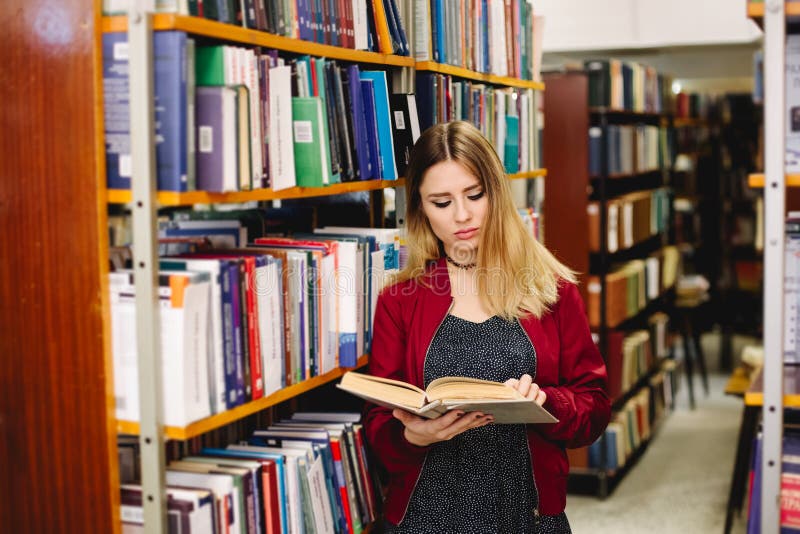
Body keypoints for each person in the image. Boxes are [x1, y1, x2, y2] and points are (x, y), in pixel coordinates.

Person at [363, 121, 611, 533]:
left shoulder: (552, 290)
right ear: (420, 210)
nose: (462, 216)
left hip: (526, 517)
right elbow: (378, 425)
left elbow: (595, 409)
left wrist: (545, 402)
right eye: (441, 203)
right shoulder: (399, 300)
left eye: (474, 195)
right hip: (424, 518)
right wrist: (416, 437)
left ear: (496, 192)